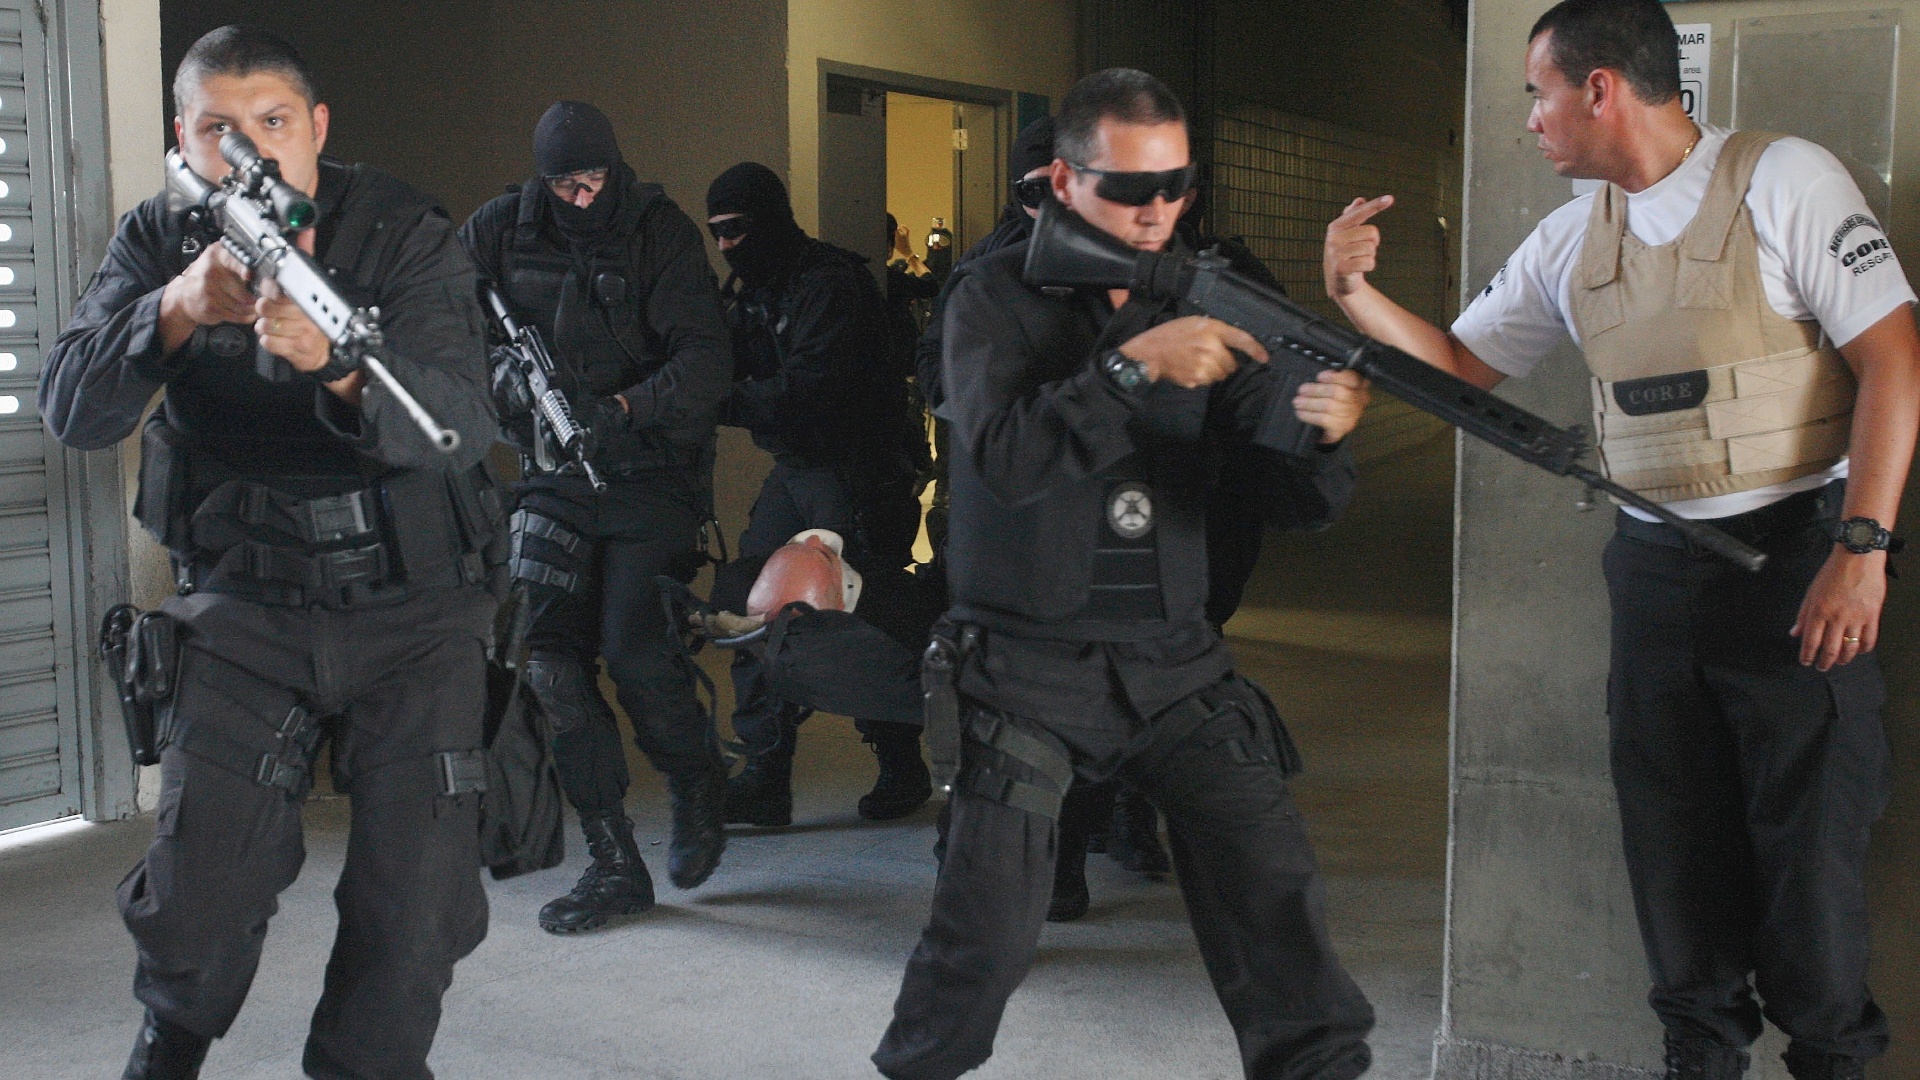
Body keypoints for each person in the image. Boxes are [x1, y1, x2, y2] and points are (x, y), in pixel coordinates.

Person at [1323, 3, 1918, 1078]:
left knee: (1810, 866)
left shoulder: (1784, 181)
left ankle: (1832, 1058)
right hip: (1655, 576)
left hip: (1797, 565)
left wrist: (1863, 547)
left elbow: (1895, 360)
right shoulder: (1571, 236)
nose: (1532, 122)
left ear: (1600, 88)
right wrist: (1357, 296)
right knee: (1672, 852)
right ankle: (1699, 1057)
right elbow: (1461, 370)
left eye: (1537, 95)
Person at [873, 68, 1376, 1080]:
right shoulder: (989, 298)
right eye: (1130, 192)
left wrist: (1321, 431)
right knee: (985, 941)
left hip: (1174, 661)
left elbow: (1297, 499)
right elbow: (1007, 459)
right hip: (1026, 664)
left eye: (1177, 189)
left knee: (1278, 907)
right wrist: (1134, 369)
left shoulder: (1205, 290)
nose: (1157, 216)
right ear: (1062, 180)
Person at [39, 26, 503, 1080]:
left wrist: (341, 368)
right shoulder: (161, 238)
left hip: (416, 611)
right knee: (201, 886)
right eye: (219, 129)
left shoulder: (399, 230)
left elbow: (461, 426)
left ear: (317, 129)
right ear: (183, 139)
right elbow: (71, 408)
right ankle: (169, 1048)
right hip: (245, 608)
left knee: (414, 906)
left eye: (273, 124)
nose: (247, 149)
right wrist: (174, 308)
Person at [459, 101, 734, 934]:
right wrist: (505, 380)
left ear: (616, 168)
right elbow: (440, 319)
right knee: (548, 661)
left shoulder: (660, 232)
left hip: (649, 470)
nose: (580, 200)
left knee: (637, 652)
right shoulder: (501, 229)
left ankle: (696, 780)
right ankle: (614, 860)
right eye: (564, 184)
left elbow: (707, 360)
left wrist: (622, 405)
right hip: (552, 478)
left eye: (593, 181)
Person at [705, 163, 931, 826]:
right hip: (800, 473)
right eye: (715, 234)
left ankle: (901, 760)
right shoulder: (751, 289)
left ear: (769, 221)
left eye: (737, 231)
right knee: (753, 604)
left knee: (863, 619)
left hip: (860, 474)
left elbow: (810, 392)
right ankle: (767, 774)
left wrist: (721, 400)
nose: (726, 246)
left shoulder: (830, 284)